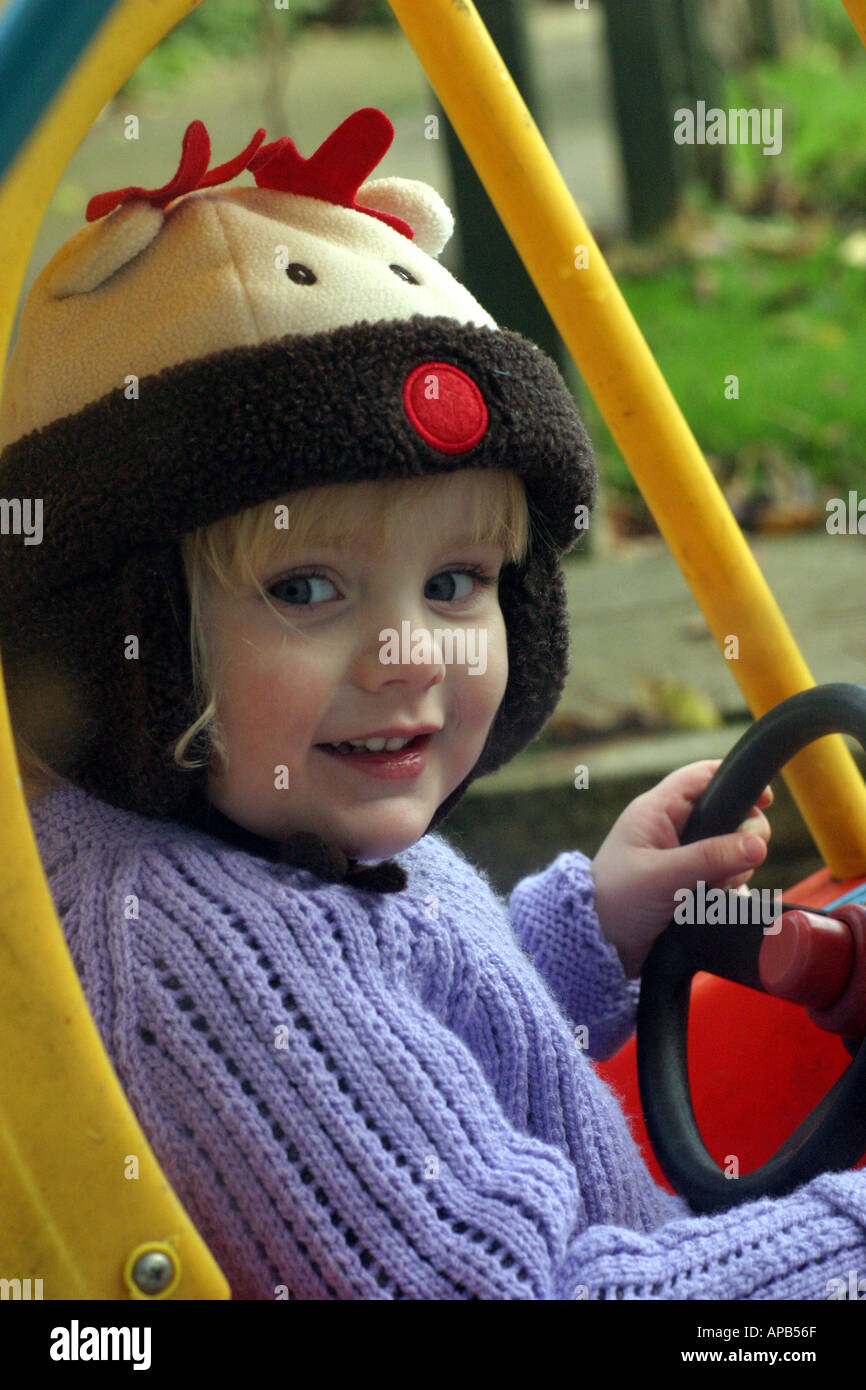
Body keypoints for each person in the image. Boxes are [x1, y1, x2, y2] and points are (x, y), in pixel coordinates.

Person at [0, 109, 862, 1301]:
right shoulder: (212, 967)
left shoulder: (266, 835)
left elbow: (420, 1033)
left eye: (454, 583)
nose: (409, 650)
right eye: (306, 588)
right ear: (121, 644)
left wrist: (591, 930)